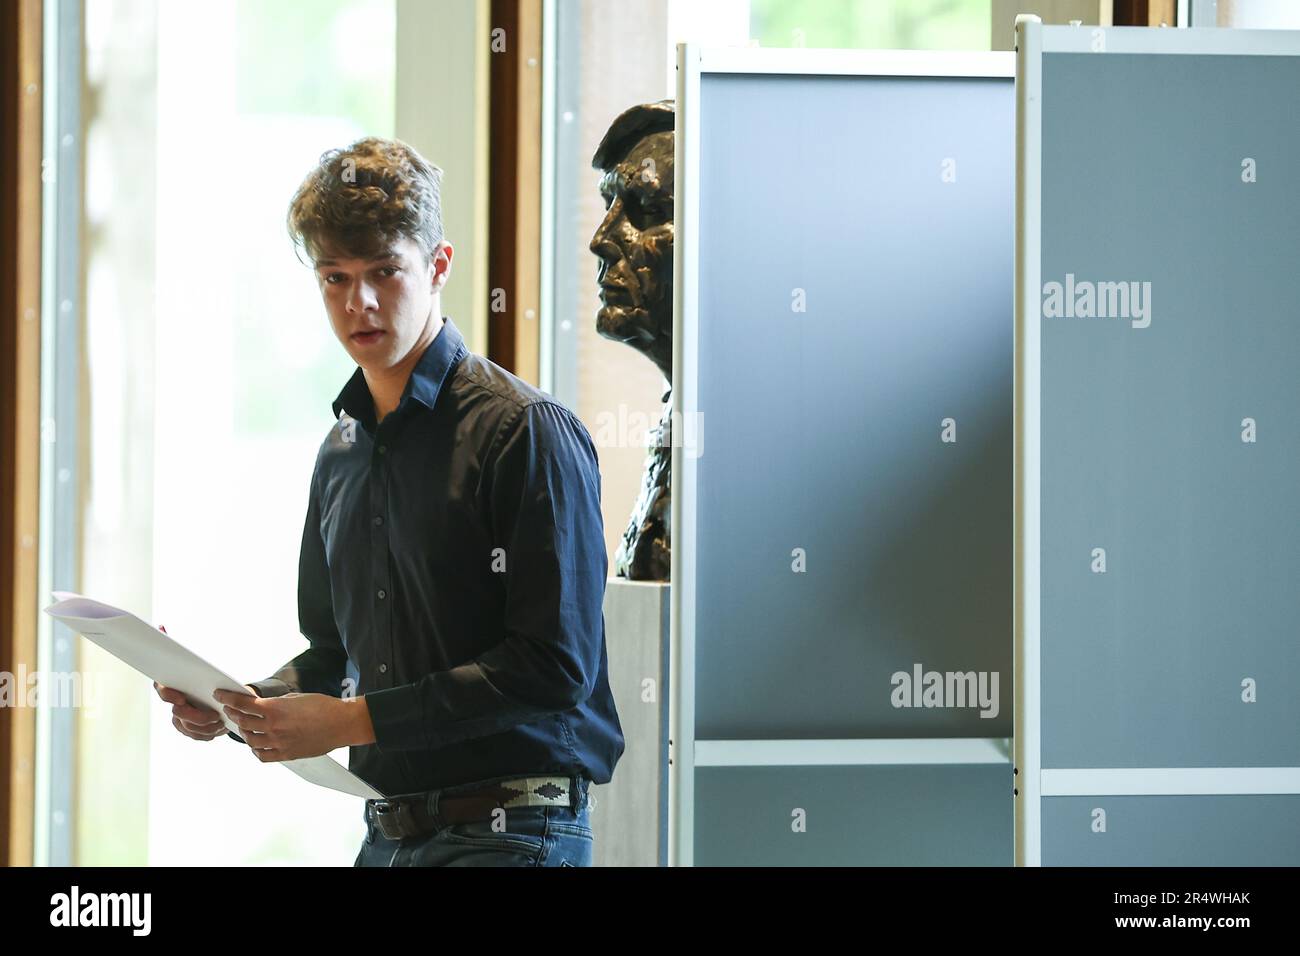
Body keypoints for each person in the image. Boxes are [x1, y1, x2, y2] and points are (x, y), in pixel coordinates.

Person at [153, 136, 624, 867]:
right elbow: (336, 655)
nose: (358, 303)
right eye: (334, 278)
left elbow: (553, 667)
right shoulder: (340, 451)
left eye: (383, 272)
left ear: (438, 266)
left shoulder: (525, 431)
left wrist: (350, 721)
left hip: (513, 836)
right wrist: (244, 706)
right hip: (389, 835)